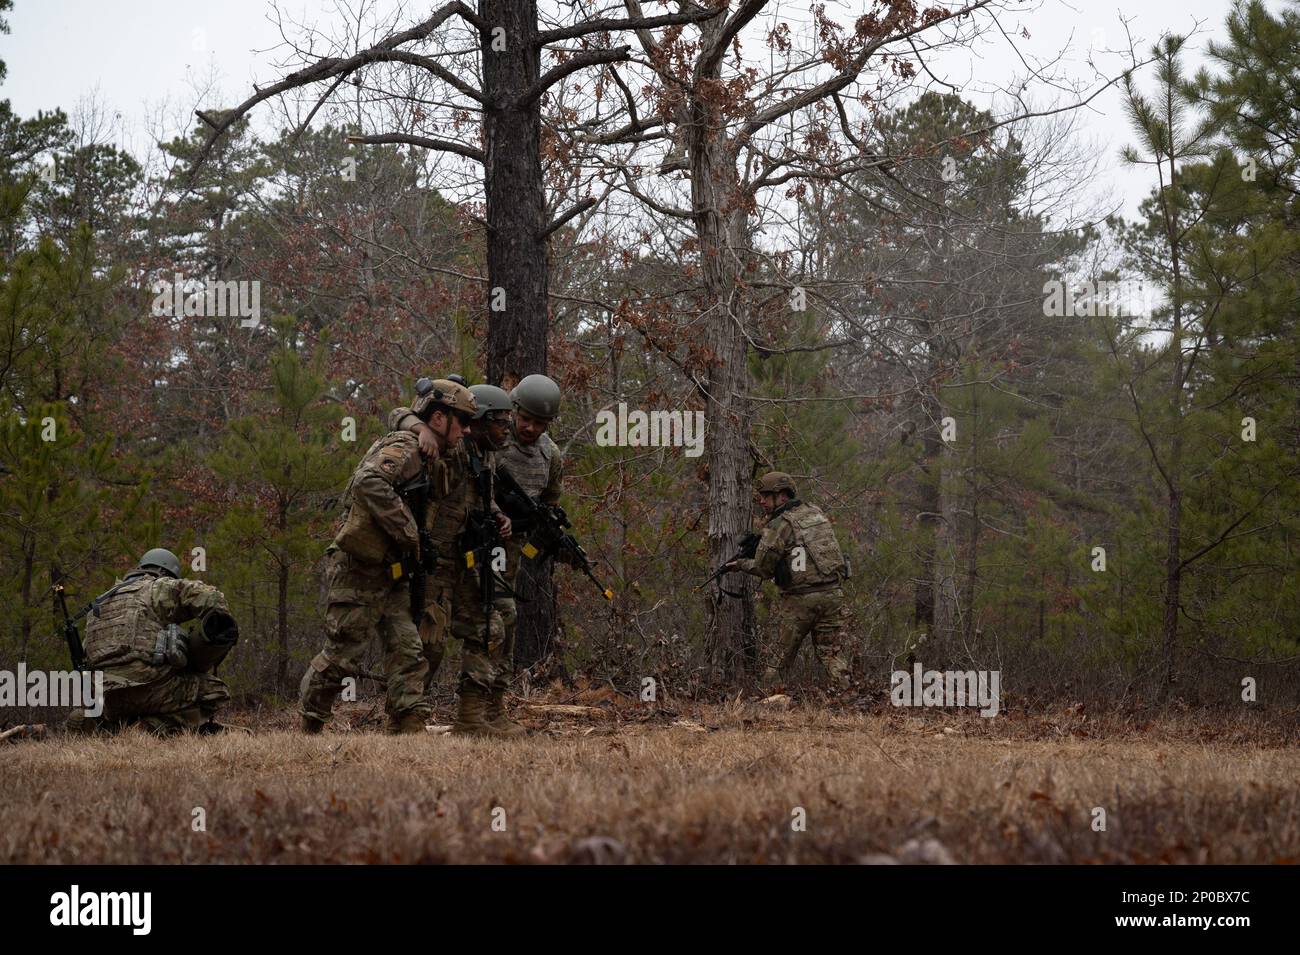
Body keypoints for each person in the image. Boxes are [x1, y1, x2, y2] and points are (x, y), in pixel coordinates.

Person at [299, 378, 476, 735]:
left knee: (408, 650)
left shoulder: (438, 450)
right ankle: (309, 725)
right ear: (440, 419)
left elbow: (405, 415)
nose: (467, 430)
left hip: (393, 572)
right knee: (342, 655)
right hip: (359, 569)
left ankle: (407, 725)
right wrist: (410, 531)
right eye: (462, 421)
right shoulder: (407, 446)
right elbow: (368, 482)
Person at [389, 382, 524, 737]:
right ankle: (406, 722)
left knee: (488, 629)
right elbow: (398, 414)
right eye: (499, 423)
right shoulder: (453, 447)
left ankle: (472, 718)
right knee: (427, 644)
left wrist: (497, 514)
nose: (505, 430)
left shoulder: (486, 455)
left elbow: (476, 497)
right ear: (476, 421)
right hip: (434, 562)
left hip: (467, 562)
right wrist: (420, 428)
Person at [77, 548, 239, 735]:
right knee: (215, 692)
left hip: (105, 697)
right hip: (148, 687)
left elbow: (86, 654)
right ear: (165, 573)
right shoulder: (157, 587)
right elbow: (210, 596)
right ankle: (148, 728)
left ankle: (108, 727)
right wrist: (220, 623)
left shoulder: (99, 604)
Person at [727, 471, 853, 691]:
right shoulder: (816, 512)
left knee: (779, 660)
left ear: (782, 497)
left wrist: (740, 565)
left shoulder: (780, 524)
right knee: (833, 656)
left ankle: (767, 702)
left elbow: (763, 569)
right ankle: (846, 699)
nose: (761, 501)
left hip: (800, 600)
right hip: (833, 594)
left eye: (766, 496)